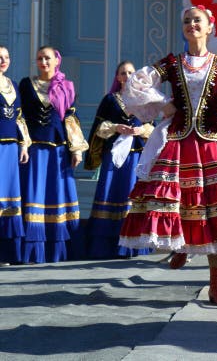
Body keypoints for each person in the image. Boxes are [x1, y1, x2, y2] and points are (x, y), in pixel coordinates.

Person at [119, 5, 217, 305]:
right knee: (179, 201)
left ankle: (216, 284)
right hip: (178, 141)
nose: (191, 25)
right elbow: (137, 83)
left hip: (214, 143)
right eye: (186, 20)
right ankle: (182, 247)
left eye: (196, 20)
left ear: (210, 27)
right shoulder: (173, 63)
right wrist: (163, 104)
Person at [19, 46, 88, 263]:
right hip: (35, 149)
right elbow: (20, 117)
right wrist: (23, 143)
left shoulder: (67, 87)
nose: (43, 62)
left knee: (58, 195)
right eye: (39, 58)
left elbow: (70, 119)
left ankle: (60, 251)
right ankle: (33, 252)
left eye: (47, 58)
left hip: (59, 150)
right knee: (35, 195)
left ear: (56, 61)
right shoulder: (26, 84)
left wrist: (76, 149)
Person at [84, 61, 154, 259]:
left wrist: (141, 130)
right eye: (123, 73)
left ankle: (135, 246)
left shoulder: (144, 101)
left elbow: (153, 127)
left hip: (136, 156)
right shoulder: (109, 100)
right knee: (111, 192)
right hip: (114, 157)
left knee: (133, 194)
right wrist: (116, 127)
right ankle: (107, 246)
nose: (127, 75)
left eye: (131, 72)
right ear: (118, 77)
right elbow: (99, 127)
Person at [0, 46, 30, 265]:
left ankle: (7, 254)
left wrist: (24, 145)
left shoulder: (14, 85)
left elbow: (19, 118)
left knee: (9, 199)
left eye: (6, 57)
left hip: (11, 150)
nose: (3, 60)